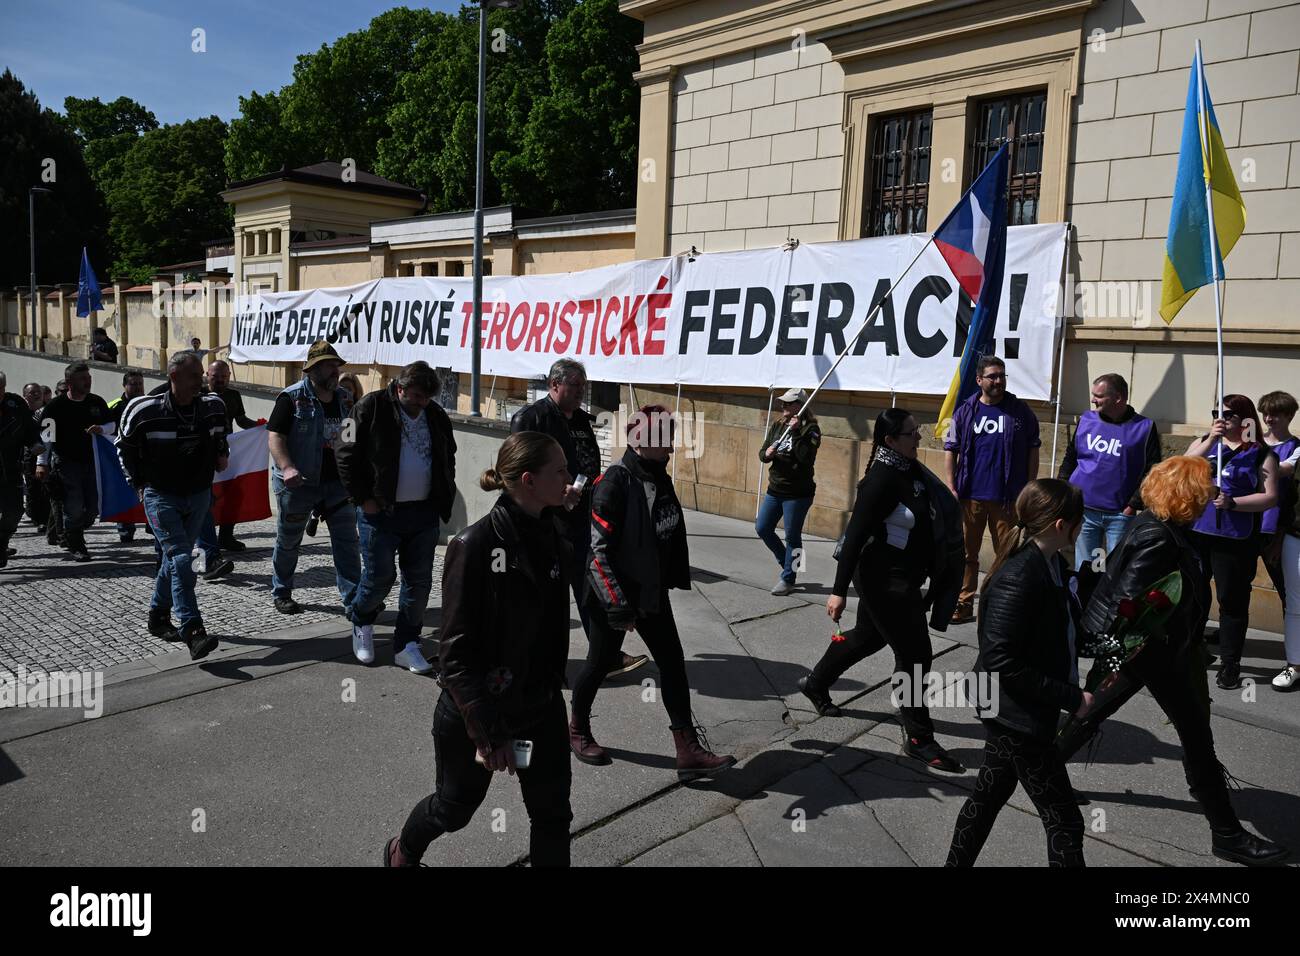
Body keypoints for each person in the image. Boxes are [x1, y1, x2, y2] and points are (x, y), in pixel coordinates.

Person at [1058, 456, 1289, 865]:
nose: (1212, 496)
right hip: (1155, 655)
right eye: (1206, 491)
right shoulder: (1159, 536)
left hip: (1148, 653)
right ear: (1188, 496)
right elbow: (1132, 605)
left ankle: (1038, 772)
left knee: (1089, 712)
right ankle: (1228, 835)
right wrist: (1165, 643)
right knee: (1196, 737)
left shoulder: (1158, 525)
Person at [384, 432, 573, 867]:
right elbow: (455, 655)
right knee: (453, 809)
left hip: (539, 706)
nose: (569, 477)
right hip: (477, 711)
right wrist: (489, 735)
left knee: (552, 816)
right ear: (528, 480)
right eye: (559, 470)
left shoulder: (552, 531)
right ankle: (403, 852)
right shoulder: (474, 546)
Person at [568, 405, 736, 780]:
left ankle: (687, 749)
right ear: (640, 441)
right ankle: (577, 730)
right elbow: (596, 554)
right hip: (611, 596)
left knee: (673, 663)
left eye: (672, 440)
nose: (672, 449)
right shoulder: (614, 482)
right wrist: (618, 607)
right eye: (664, 441)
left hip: (649, 592)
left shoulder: (657, 475)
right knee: (599, 663)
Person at [797, 408, 966, 772]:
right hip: (882, 580)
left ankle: (816, 682)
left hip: (904, 577)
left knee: (867, 637)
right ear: (890, 440)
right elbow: (855, 536)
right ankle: (919, 737)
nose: (919, 437)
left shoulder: (910, 471)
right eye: (911, 433)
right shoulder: (882, 479)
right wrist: (838, 591)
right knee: (916, 656)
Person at [945, 479, 1090, 867]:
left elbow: (1056, 630)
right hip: (1016, 714)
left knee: (987, 798)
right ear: (1062, 526)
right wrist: (1072, 698)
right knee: (1065, 821)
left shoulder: (1053, 565)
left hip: (1019, 710)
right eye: (1079, 520)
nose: (1082, 527)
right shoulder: (1020, 575)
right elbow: (1001, 661)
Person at [511, 359, 648, 680]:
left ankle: (606, 655)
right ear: (554, 385)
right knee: (545, 595)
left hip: (582, 515)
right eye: (574, 386)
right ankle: (537, 662)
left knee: (589, 588)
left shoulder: (582, 420)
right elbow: (519, 473)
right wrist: (559, 493)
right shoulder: (530, 419)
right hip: (546, 521)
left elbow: (586, 462)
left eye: (583, 386)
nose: (580, 392)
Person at [337, 361, 456, 672]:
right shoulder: (369, 407)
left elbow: (448, 455)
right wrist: (363, 498)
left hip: (423, 513)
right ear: (400, 388)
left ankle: (407, 644)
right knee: (379, 578)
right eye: (416, 396)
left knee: (418, 584)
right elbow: (344, 450)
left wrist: (443, 496)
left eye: (426, 398)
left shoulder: (436, 415)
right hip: (381, 512)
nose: (421, 403)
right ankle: (361, 620)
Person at [116, 352, 228, 659]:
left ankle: (157, 616)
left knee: (173, 559)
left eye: (202, 375)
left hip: (199, 494)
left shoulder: (213, 406)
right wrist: (138, 485)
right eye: (195, 376)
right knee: (183, 559)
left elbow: (220, 437)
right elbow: (122, 449)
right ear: (174, 376)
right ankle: (193, 630)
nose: (202, 381)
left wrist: (221, 454)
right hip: (160, 495)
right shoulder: (143, 410)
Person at [1184, 395, 1279, 689]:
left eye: (1227, 414)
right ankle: (1193, 650)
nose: (1220, 418)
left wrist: (1234, 502)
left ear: (1245, 419)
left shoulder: (1261, 454)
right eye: (1216, 412)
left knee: (1232, 601)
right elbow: (1183, 467)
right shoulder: (1206, 445)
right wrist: (1211, 439)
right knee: (1194, 596)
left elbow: (1270, 496)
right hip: (1198, 534)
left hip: (1233, 539)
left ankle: (1230, 663)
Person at [943, 355, 1041, 624]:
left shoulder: (1019, 412)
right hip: (970, 498)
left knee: (1007, 555)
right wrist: (952, 487)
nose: (999, 381)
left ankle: (1001, 603)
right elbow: (951, 449)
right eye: (993, 376)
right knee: (966, 554)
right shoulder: (965, 411)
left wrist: (1030, 487)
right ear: (979, 380)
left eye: (1002, 375)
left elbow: (1034, 449)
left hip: (1007, 500)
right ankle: (963, 603)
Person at [267, 339, 360, 615]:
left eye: (336, 365)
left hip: (337, 485)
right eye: (329, 366)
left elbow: (351, 435)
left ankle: (353, 598)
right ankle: (282, 591)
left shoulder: (345, 398)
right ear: (313, 369)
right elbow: (275, 437)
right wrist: (287, 468)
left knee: (346, 541)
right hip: (299, 483)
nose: (335, 371)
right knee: (289, 540)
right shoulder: (291, 397)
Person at [1060, 373, 1161, 570]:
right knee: (1088, 568)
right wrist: (1063, 490)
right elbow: (1071, 457)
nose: (1092, 400)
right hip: (1085, 510)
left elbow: (1153, 471)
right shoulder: (1086, 420)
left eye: (1098, 396)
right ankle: (1085, 599)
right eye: (1093, 394)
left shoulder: (1144, 428)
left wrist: (1133, 505)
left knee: (1116, 569)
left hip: (1119, 515)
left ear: (1118, 398)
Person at [34, 363, 112, 562]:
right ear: (69, 383)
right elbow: (45, 437)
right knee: (74, 506)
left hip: (93, 462)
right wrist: (41, 462)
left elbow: (113, 425)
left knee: (93, 508)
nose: (88, 381)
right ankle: (77, 544)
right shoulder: (55, 407)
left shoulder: (97, 402)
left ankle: (73, 529)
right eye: (82, 378)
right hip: (66, 464)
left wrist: (101, 429)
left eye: (88, 377)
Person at [756, 387, 821, 595]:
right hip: (775, 489)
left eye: (788, 403)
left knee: (793, 536)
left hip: (798, 494)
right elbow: (763, 453)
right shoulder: (777, 425)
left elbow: (805, 458)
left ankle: (789, 577)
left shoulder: (811, 429)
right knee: (762, 528)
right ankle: (789, 562)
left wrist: (795, 433)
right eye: (782, 403)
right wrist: (766, 453)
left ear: (799, 406)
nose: (783, 406)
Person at [207, 359, 260, 553]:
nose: (220, 380)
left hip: (228, 451)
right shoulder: (198, 394)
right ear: (207, 376)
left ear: (229, 376)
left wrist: (261, 426)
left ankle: (226, 537)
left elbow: (241, 420)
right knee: (206, 498)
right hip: (204, 453)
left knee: (233, 495)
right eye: (216, 376)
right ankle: (207, 542)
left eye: (224, 376)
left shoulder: (233, 395)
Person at [1258, 391, 1298, 614]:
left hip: (1275, 527)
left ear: (1289, 416)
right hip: (1247, 522)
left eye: (1275, 415)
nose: (1269, 419)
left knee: (1286, 587)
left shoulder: (1296, 448)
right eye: (1265, 414)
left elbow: (1282, 472)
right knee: (1236, 584)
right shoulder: (1252, 442)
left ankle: (1292, 635)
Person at [1, 374, 41, 569]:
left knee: (15, 511)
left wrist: (35, 444)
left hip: (10, 469)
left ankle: (1, 541)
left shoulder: (15, 405)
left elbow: (29, 429)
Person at [107, 370, 146, 542]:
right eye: (133, 384)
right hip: (121, 458)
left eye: (140, 384)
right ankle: (125, 530)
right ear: (125, 385)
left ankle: (152, 526)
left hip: (145, 457)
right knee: (123, 494)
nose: (137, 387)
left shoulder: (148, 403)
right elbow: (106, 429)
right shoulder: (114, 406)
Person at [20, 382, 50, 533]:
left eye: (38, 392)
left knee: (46, 489)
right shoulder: (21, 413)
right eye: (32, 393)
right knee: (33, 488)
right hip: (28, 456)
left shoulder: (47, 412)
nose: (37, 394)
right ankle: (37, 517)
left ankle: (46, 519)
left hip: (46, 454)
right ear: (25, 395)